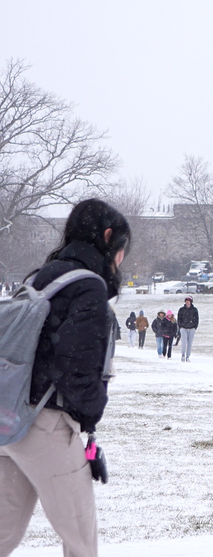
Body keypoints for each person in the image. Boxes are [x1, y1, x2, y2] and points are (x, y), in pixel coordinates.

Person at [0, 198, 131, 557]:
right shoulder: (88, 287)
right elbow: (73, 367)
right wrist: (91, 413)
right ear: (107, 238)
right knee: (81, 544)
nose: (121, 260)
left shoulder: (42, 277)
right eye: (121, 249)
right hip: (46, 426)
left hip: (9, 421)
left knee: (3, 533)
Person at [178, 296, 199, 362]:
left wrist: (195, 326)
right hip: (183, 328)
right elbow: (179, 318)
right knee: (184, 342)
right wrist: (180, 326)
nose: (187, 302)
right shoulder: (181, 309)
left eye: (188, 300)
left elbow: (197, 319)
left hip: (191, 328)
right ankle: (183, 355)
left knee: (190, 343)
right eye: (186, 300)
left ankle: (188, 356)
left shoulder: (194, 310)